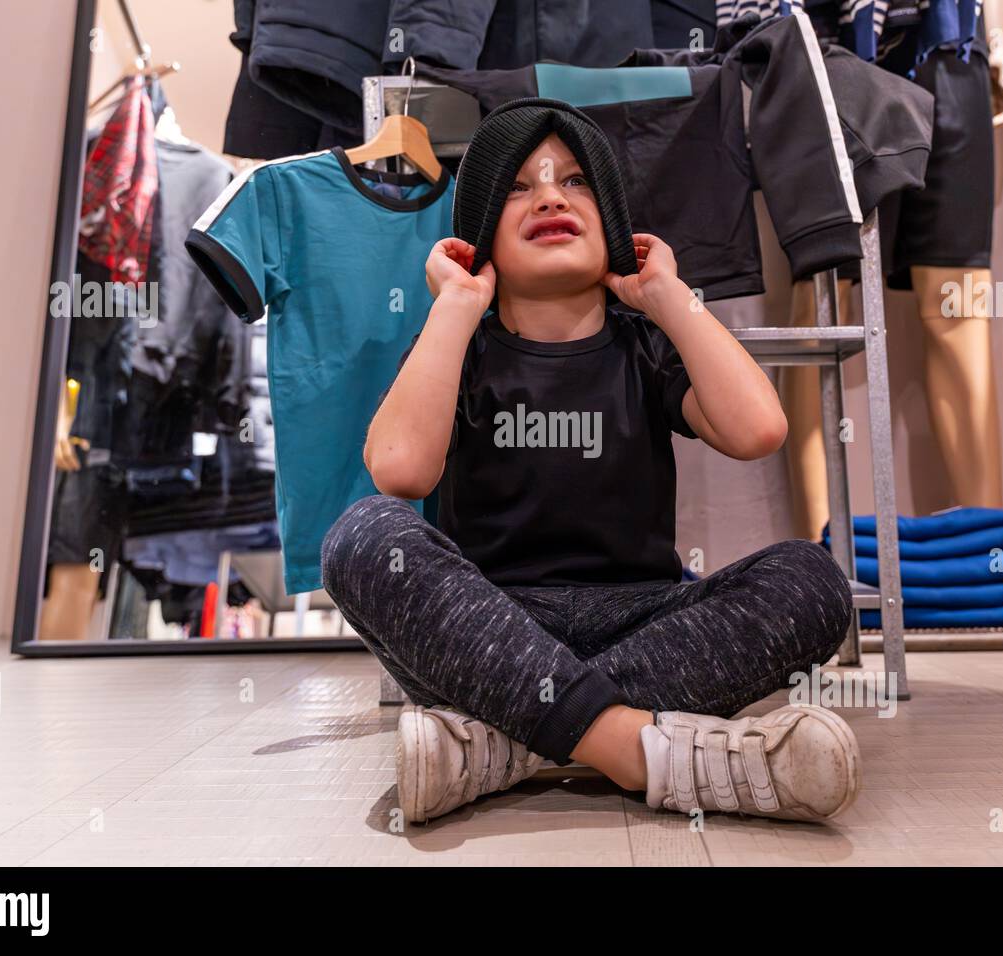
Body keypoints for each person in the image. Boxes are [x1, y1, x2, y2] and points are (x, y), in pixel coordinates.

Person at [321, 98, 859, 824]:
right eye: (517, 186)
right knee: (364, 536)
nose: (548, 195)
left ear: (611, 222)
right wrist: (455, 306)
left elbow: (759, 428)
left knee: (812, 579)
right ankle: (640, 749)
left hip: (645, 624)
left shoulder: (646, 347)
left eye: (574, 182)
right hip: (493, 633)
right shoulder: (463, 351)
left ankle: (502, 748)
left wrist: (668, 295)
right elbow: (399, 471)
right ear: (479, 233)